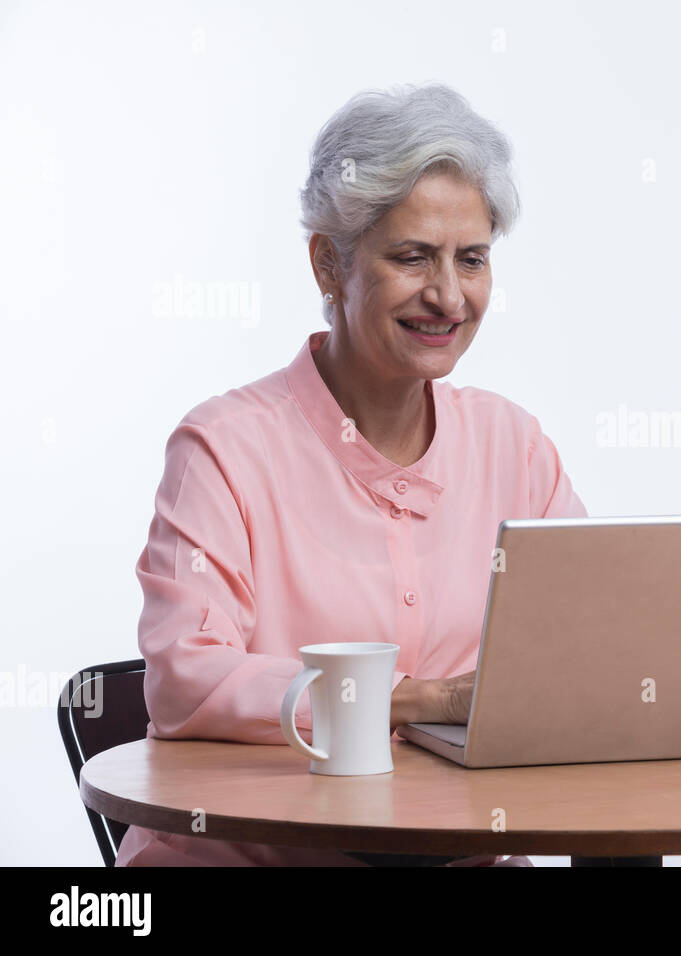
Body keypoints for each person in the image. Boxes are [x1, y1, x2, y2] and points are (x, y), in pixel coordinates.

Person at [116, 83, 583, 866]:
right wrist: (427, 701)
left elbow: (586, 644)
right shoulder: (225, 449)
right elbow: (185, 678)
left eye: (471, 259)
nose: (447, 294)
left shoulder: (514, 444)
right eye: (411, 257)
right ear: (328, 263)